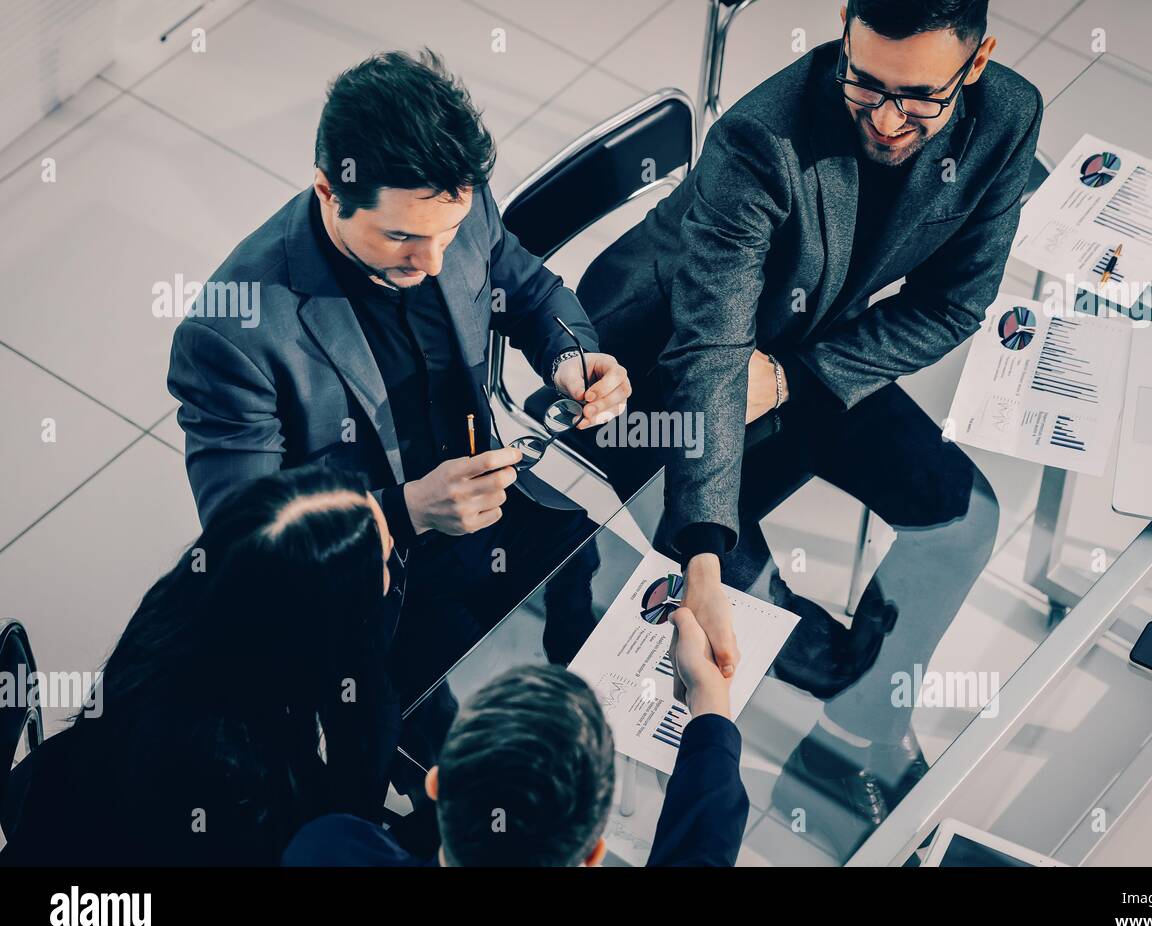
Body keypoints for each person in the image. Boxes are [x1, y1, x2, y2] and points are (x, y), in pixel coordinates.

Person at [569, 0, 1039, 834]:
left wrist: (793, 378)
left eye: (920, 97)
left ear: (978, 63)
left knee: (966, 522)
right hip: (655, 368)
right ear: (844, 36)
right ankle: (837, 700)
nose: (888, 119)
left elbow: (954, 305)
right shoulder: (760, 139)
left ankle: (856, 734)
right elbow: (708, 351)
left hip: (800, 355)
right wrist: (703, 556)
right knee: (766, 615)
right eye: (864, 82)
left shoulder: (1008, 115)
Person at [167, 49, 631, 703]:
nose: (436, 261)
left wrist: (569, 360)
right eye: (403, 241)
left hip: (497, 505)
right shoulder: (231, 336)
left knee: (588, 586)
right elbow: (247, 545)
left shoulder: (448, 200)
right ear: (330, 191)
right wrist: (406, 511)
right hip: (364, 588)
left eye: (448, 232)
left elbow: (521, 286)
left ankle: (579, 695)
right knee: (446, 751)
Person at [1, 466, 398, 866]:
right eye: (381, 561)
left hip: (65, 803)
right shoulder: (233, 776)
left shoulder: (183, 613)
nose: (390, 565)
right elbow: (341, 835)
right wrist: (364, 658)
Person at [283, 608, 748, 867]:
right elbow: (704, 843)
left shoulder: (323, 847)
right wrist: (707, 692)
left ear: (436, 784)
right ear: (593, 856)